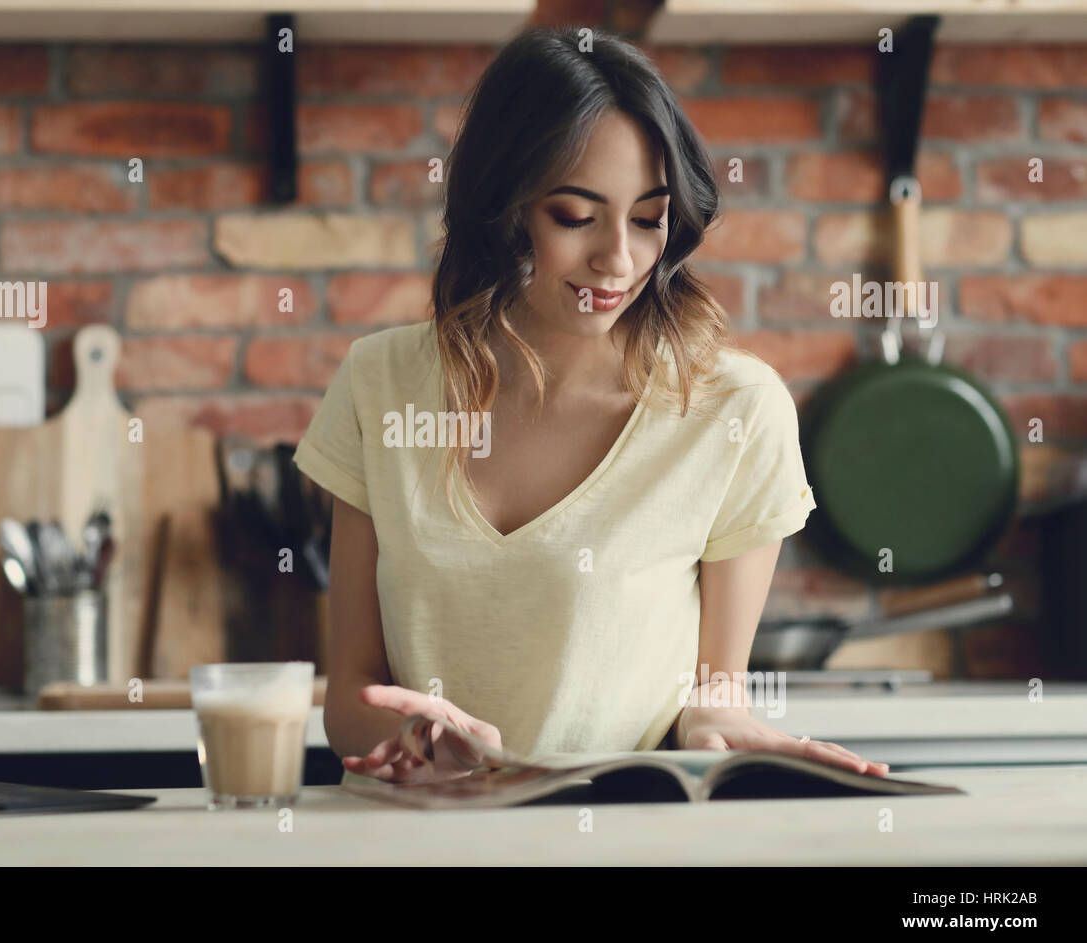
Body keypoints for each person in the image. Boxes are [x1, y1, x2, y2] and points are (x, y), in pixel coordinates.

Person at [292, 25, 889, 784]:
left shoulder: (734, 410)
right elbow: (349, 693)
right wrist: (413, 731)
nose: (618, 259)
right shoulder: (380, 383)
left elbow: (716, 695)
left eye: (648, 219)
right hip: (412, 841)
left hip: (617, 843)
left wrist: (720, 720)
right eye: (575, 216)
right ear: (504, 210)